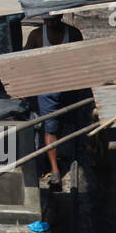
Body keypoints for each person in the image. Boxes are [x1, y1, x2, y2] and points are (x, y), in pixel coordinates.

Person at [23, 14, 94, 187]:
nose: (50, 22)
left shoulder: (73, 34)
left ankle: (74, 155)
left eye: (53, 18)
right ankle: (55, 170)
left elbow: (81, 59)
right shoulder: (37, 35)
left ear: (60, 16)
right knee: (50, 128)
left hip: (69, 85)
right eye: (47, 19)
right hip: (46, 89)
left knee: (71, 122)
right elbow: (24, 61)